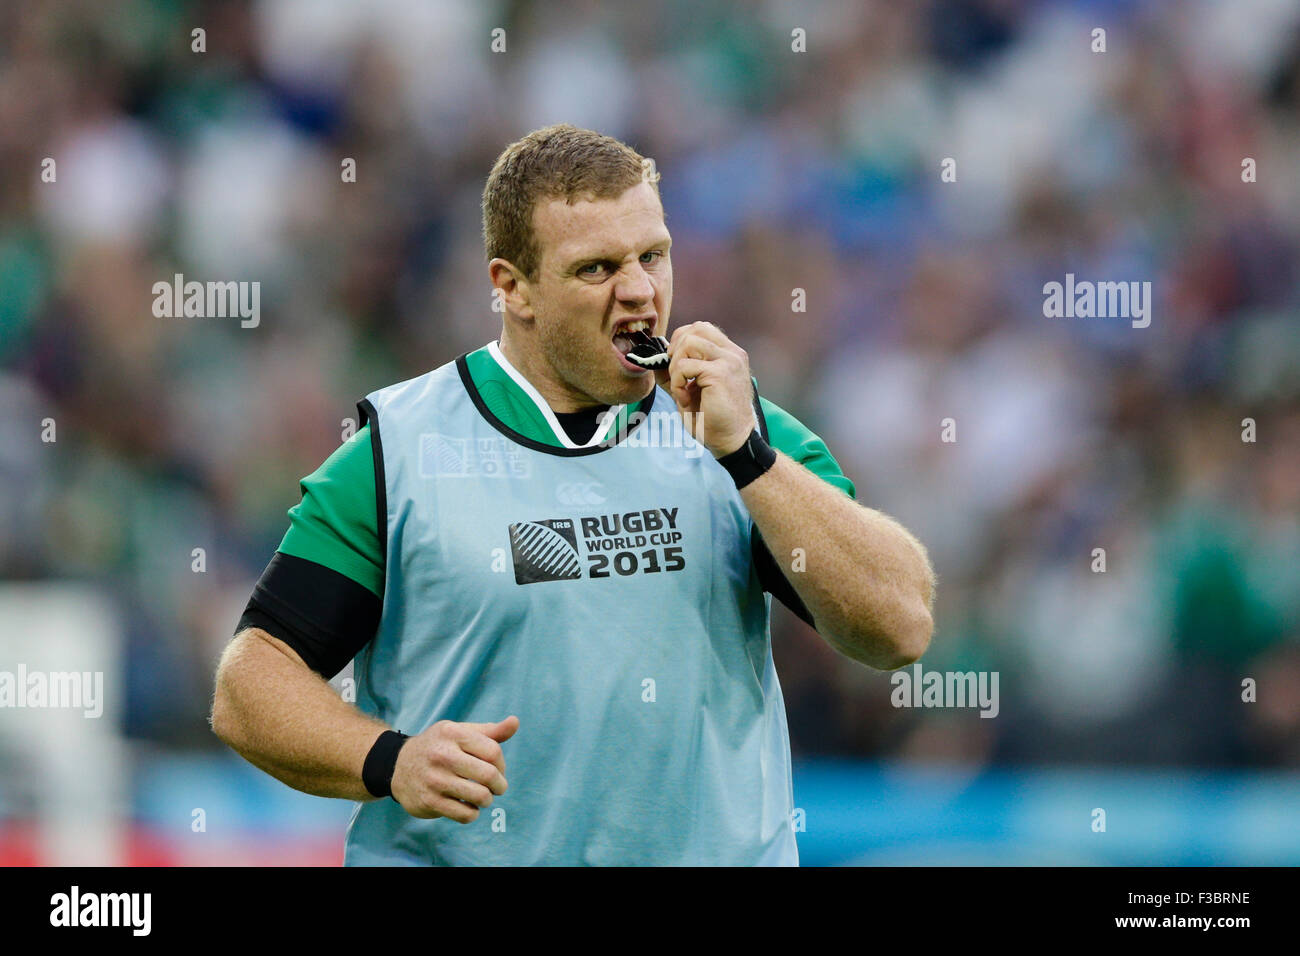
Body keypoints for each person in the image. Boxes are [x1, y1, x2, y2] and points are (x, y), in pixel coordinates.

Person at [210, 124, 935, 866]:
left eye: (653, 256)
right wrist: (389, 759)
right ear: (511, 287)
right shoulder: (400, 453)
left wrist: (749, 456)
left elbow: (899, 627)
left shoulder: (731, 424)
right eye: (597, 268)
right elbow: (250, 681)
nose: (640, 291)